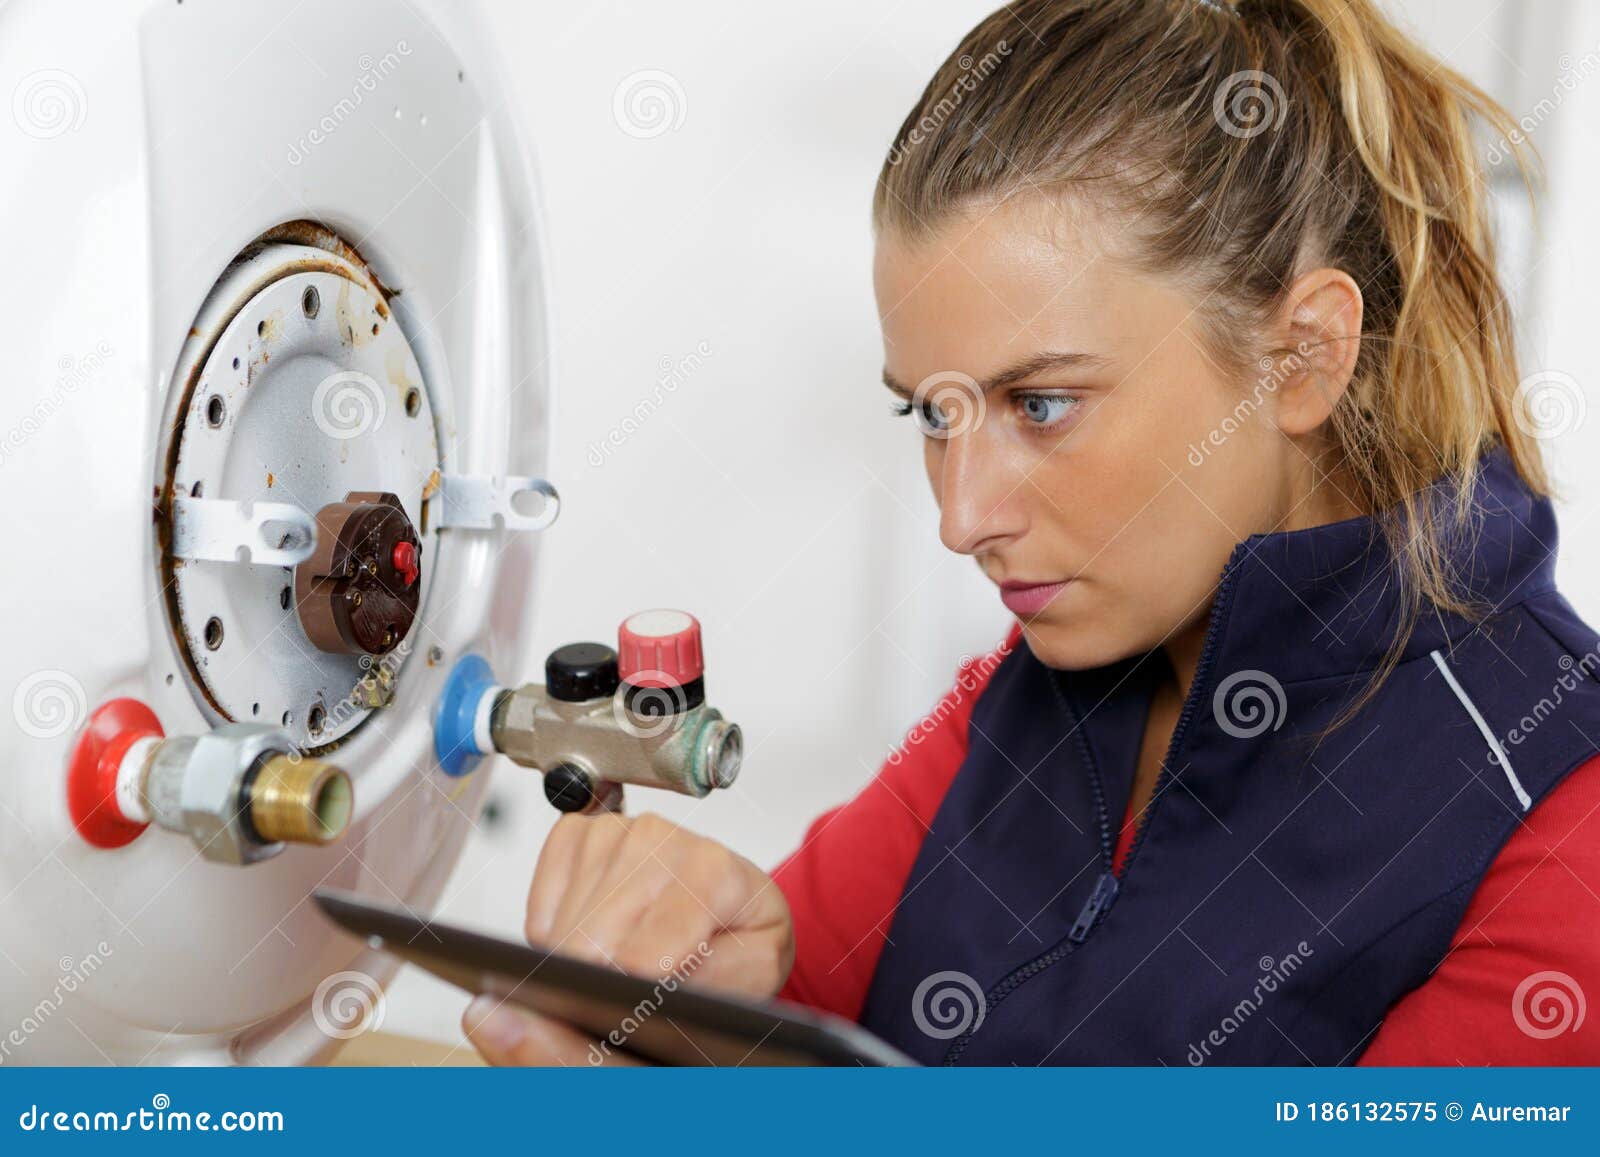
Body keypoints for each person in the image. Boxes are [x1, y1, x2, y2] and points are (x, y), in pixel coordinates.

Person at [465, 0, 1600, 1065]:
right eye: (931, 413)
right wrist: (721, 1001)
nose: (961, 517)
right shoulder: (1018, 704)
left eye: (1039, 404)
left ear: (1300, 355)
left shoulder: (1562, 816)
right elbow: (776, 1002)